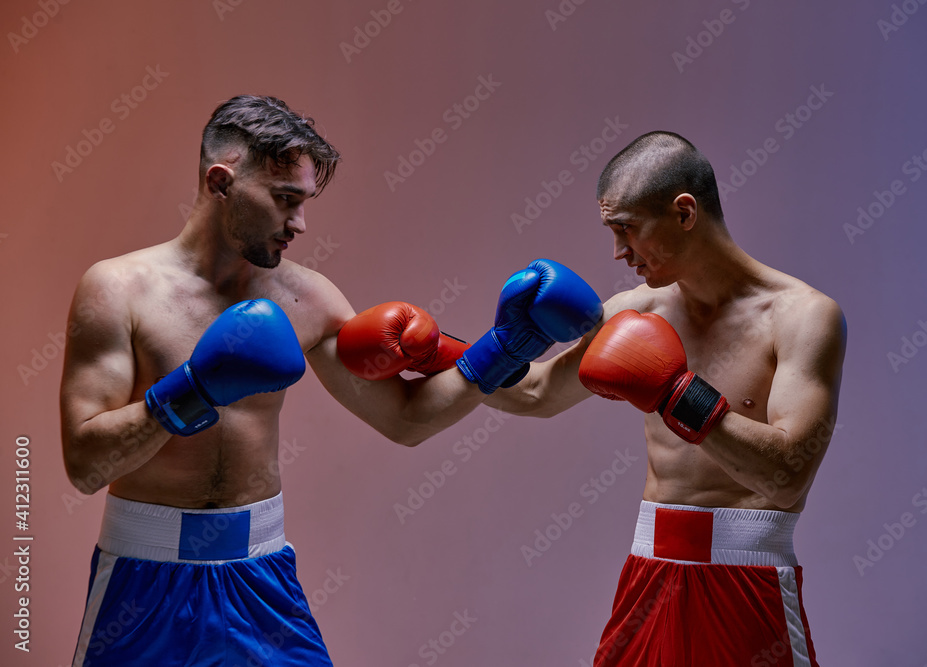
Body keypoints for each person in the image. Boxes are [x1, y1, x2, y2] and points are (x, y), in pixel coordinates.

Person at [59, 94, 602, 666]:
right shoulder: (118, 290)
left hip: (260, 580)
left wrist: (506, 347)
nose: (298, 223)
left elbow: (406, 419)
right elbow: (86, 465)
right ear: (221, 183)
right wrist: (191, 389)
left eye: (304, 203)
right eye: (284, 200)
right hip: (145, 584)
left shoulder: (307, 298)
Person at [486, 131, 846, 666]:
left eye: (626, 228)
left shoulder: (803, 317)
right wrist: (465, 356)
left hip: (747, 581)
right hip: (649, 574)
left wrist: (676, 391)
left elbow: (786, 476)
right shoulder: (633, 312)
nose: (618, 251)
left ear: (683, 213)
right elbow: (536, 393)